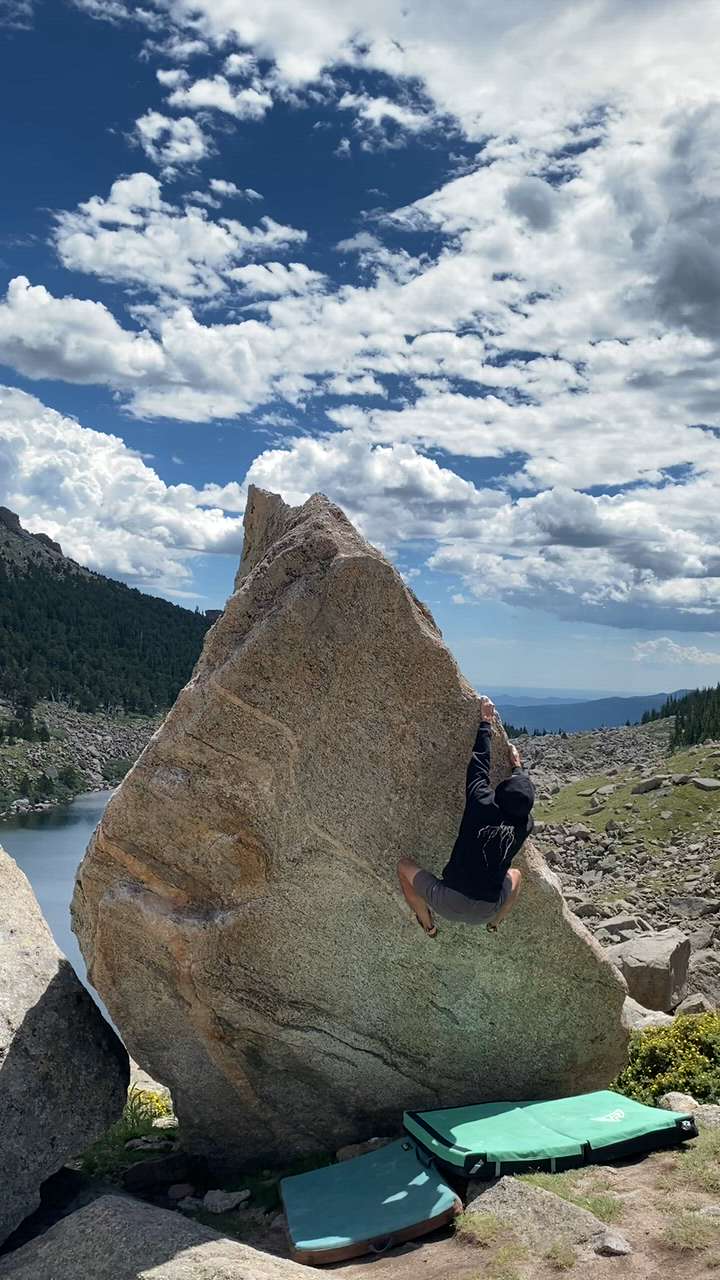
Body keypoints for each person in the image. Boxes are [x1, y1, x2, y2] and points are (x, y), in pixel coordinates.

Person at [397, 696, 534, 938]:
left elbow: (479, 766)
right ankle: (496, 924)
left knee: (403, 867)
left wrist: (486, 722)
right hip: (487, 910)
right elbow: (522, 797)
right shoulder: (525, 826)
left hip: (448, 900)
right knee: (516, 875)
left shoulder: (482, 803)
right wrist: (518, 769)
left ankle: (428, 925)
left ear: (502, 792)